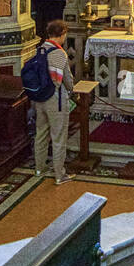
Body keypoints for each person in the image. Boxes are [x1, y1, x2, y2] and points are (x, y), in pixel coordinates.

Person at [33, 20, 74, 185]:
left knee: (41, 134)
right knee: (58, 137)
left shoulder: (40, 49)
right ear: (62, 34)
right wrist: (72, 91)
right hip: (55, 99)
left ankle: (39, 168)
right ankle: (59, 175)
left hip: (39, 98)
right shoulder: (59, 53)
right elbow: (68, 80)